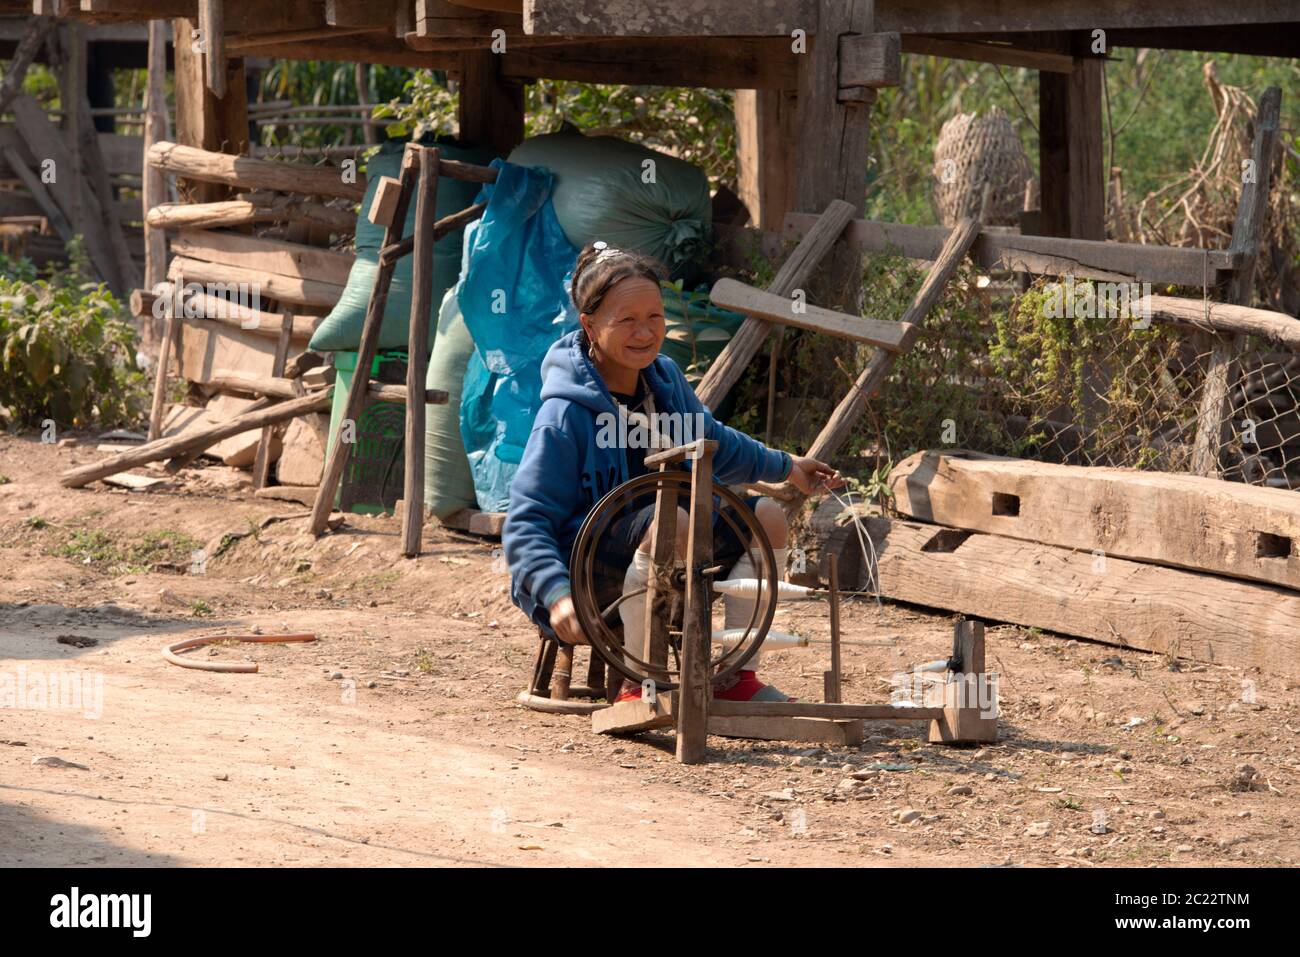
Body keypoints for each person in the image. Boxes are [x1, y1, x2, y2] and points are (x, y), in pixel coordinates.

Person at [503, 241, 843, 702]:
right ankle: (641, 680)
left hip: (664, 552)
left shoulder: (662, 383)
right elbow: (526, 521)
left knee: (768, 518)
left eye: (655, 317)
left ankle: (734, 677)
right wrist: (556, 594)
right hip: (583, 576)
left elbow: (715, 442)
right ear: (589, 325)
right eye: (626, 320)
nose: (644, 332)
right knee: (675, 521)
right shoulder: (565, 415)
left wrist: (788, 466)